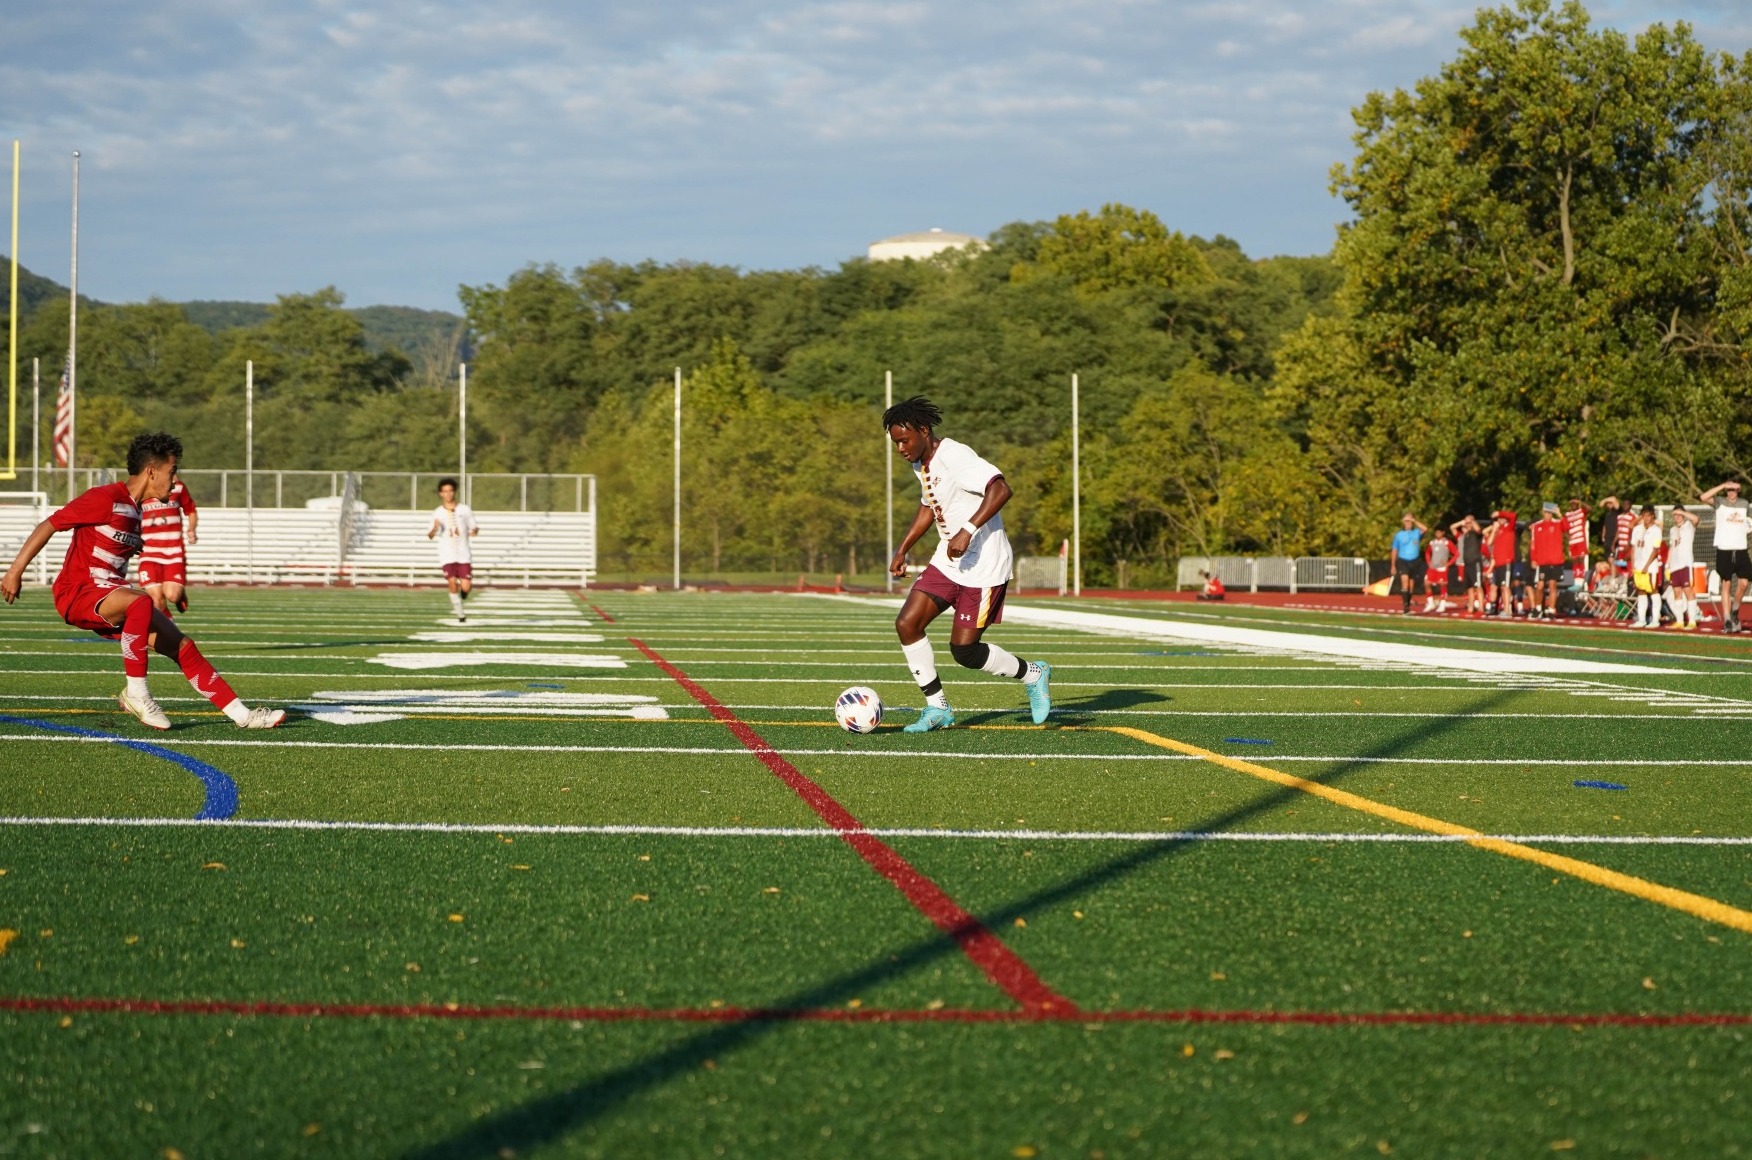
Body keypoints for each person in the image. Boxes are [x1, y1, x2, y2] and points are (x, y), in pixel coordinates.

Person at [1, 432, 284, 730]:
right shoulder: (104, 498)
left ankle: (243, 715)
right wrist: (14, 571)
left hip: (109, 596)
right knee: (141, 601)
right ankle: (137, 693)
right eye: (171, 472)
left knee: (182, 645)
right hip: (79, 594)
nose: (174, 481)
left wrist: (131, 545)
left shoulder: (135, 510)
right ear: (151, 471)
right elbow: (50, 524)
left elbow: (110, 540)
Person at [885, 396, 1051, 732]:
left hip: (985, 566)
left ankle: (1033, 673)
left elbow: (1001, 489)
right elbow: (928, 506)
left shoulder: (954, 455)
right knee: (907, 624)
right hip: (949, 561)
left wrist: (967, 531)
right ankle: (938, 709)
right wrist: (903, 549)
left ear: (924, 430)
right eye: (895, 443)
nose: (901, 449)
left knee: (965, 652)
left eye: (904, 440)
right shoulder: (922, 464)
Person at [136, 468, 198, 615]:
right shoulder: (141, 491)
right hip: (148, 552)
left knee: (172, 595)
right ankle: (168, 634)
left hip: (173, 551)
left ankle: (180, 594)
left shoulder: (177, 488)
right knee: (156, 600)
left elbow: (191, 510)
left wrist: (191, 529)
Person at [1700, 480, 1749, 633]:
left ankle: (1735, 611)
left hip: (1740, 549)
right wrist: (1722, 485)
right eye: (1729, 490)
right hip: (1724, 549)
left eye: (1734, 490)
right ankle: (1727, 618)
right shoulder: (1720, 502)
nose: (1731, 492)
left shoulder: (1744, 503)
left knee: (1744, 584)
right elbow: (1703, 497)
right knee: (1726, 583)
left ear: (1738, 490)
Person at [427, 477, 479, 622]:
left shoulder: (464, 509)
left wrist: (474, 530)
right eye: (445, 491)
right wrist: (435, 528)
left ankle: (464, 595)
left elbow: (473, 526)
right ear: (440, 494)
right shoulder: (437, 513)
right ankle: (460, 614)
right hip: (447, 554)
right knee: (451, 582)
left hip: (463, 553)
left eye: (450, 491)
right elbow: (430, 535)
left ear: (454, 492)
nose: (448, 494)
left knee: (466, 586)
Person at [1664, 505, 1702, 630]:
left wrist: (1683, 512)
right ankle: (1680, 621)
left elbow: (1696, 519)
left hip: (1685, 564)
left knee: (1688, 591)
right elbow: (1672, 547)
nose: (1677, 516)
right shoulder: (1673, 529)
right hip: (1674, 565)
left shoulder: (1689, 526)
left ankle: (1692, 621)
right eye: (1675, 514)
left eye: (1679, 514)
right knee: (1676, 592)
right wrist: (1667, 564)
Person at [1530, 502, 1569, 620]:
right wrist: (1533, 559)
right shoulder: (1537, 526)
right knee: (1540, 586)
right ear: (1542, 513)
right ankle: (1537, 609)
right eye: (1546, 512)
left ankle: (1551, 610)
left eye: (1550, 513)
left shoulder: (1557, 524)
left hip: (1555, 561)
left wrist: (1560, 514)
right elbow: (1533, 544)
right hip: (1542, 562)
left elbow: (1567, 527)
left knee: (1552, 585)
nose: (1548, 515)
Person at [1627, 505, 1664, 628]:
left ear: (1652, 515)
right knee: (1641, 592)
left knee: (1653, 591)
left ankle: (1655, 620)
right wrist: (1633, 565)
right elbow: (1633, 548)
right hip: (1638, 566)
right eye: (1644, 515)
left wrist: (1647, 566)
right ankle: (1641, 620)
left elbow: (1655, 550)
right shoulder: (1637, 529)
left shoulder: (1656, 530)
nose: (1646, 518)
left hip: (1650, 567)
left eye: (1648, 515)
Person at [1389, 512, 1428, 613]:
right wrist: (1393, 565)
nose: (1408, 523)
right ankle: (1405, 608)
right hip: (1403, 561)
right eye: (1406, 521)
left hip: (1415, 561)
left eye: (1410, 521)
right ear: (1403, 522)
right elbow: (1394, 550)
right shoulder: (1398, 535)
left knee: (1411, 587)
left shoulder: (1416, 532)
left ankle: (1408, 604)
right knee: (1405, 583)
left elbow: (1425, 529)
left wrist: (1414, 520)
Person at [1452, 514, 1485, 615]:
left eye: (1468, 522)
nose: (1466, 524)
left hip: (1475, 562)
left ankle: (1481, 608)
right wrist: (1462, 522)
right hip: (1467, 563)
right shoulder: (1465, 535)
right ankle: (1471, 607)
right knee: (1469, 587)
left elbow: (1478, 529)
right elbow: (1452, 527)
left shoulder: (1476, 534)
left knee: (1478, 585)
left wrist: (1471, 521)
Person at [1487, 509, 1518, 617]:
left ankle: (1507, 609)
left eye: (1501, 518)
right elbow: (1489, 542)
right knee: (1498, 586)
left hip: (1507, 562)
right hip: (1498, 563)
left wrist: (1500, 513)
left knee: (1506, 586)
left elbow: (1514, 515)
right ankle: (1499, 607)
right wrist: (1494, 530)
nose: (1499, 520)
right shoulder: (1498, 530)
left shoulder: (1509, 528)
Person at [1423, 526, 1456, 613]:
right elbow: (1427, 552)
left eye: (1439, 532)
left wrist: (1449, 563)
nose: (1437, 534)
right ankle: (1430, 603)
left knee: (1442, 585)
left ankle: (1442, 604)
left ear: (1443, 533)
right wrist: (1429, 562)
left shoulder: (1447, 542)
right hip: (1433, 567)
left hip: (1442, 568)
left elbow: (1456, 553)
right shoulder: (1432, 543)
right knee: (1426, 583)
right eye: (1436, 532)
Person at [1564, 497, 1591, 586]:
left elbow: (1590, 509)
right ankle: (1576, 580)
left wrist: (1580, 502)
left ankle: (1581, 579)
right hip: (1573, 541)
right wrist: (1568, 537)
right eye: (1572, 504)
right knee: (1575, 560)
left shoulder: (1581, 511)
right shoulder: (1568, 514)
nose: (1573, 505)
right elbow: (1565, 527)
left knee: (1581, 559)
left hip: (1580, 540)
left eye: (1575, 503)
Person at [1597, 497, 1625, 573]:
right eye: (1608, 504)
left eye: (1610, 503)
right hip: (1608, 540)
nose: (1609, 504)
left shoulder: (1617, 512)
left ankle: (1618, 573)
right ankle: (1612, 575)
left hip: (1615, 540)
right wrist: (1603, 535)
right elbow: (1605, 526)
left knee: (1613, 560)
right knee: (1607, 560)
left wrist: (1605, 500)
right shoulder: (1607, 514)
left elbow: (1613, 499)